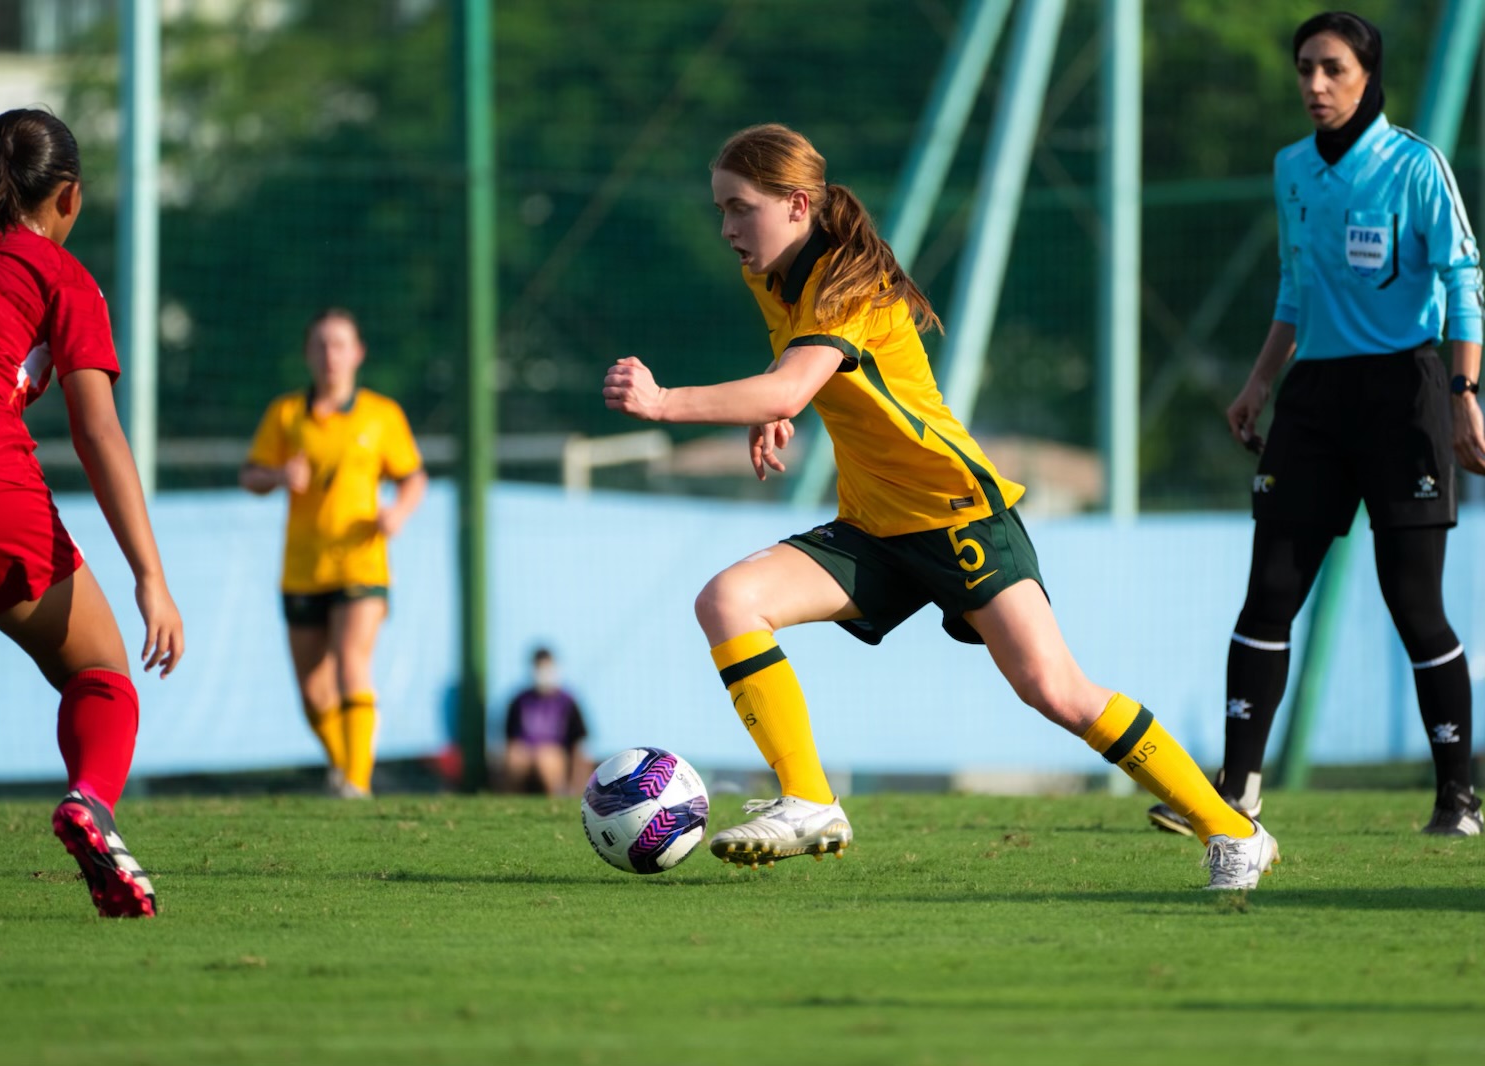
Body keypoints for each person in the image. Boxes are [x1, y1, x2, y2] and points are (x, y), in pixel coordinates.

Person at [602, 122, 1280, 890]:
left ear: (796, 205)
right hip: (875, 525)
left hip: (957, 516)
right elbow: (797, 371)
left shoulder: (847, 281)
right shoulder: (773, 273)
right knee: (727, 601)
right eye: (721, 209)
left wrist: (666, 402)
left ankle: (1233, 831)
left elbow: (793, 384)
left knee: (1057, 691)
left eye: (739, 208)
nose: (726, 227)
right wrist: (770, 404)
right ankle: (810, 799)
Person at [1147, 11, 1484, 840]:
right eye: (1305, 69)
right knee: (1269, 594)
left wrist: (1464, 392)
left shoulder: (1416, 165)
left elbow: (1464, 277)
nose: (1316, 85)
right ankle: (1236, 792)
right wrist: (1259, 383)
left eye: (1333, 68)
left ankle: (1457, 798)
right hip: (1315, 400)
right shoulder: (1291, 167)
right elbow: (1294, 287)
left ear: (1369, 75)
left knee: (1415, 604)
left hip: (1404, 394)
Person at [0, 109, 184, 917]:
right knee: (99, 673)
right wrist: (150, 576)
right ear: (69, 197)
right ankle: (90, 804)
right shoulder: (58, 271)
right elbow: (98, 431)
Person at [241, 309, 426, 799]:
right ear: (308, 353)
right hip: (303, 568)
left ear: (358, 353)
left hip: (361, 563)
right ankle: (345, 767)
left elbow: (413, 478)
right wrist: (280, 476)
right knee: (311, 691)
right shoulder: (286, 414)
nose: (330, 355)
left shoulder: (381, 415)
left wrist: (397, 513)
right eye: (321, 345)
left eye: (340, 344)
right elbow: (250, 475)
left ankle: (357, 786)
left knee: (350, 661)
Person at [502, 647, 592, 795]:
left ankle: (557, 798)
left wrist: (577, 784)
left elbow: (578, 745)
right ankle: (509, 799)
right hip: (526, 753)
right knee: (515, 757)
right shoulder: (520, 701)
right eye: (539, 668)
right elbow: (511, 740)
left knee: (546, 758)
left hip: (555, 756)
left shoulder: (567, 701)